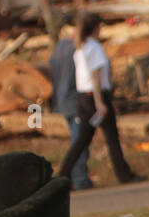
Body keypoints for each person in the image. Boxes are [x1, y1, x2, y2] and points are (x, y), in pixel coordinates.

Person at [57, 13, 143, 184]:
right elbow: (96, 76)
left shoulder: (81, 47)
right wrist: (99, 103)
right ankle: (124, 175)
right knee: (111, 137)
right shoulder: (94, 47)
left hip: (84, 96)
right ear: (96, 27)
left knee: (82, 140)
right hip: (95, 96)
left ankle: (62, 175)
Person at [49, 23, 92, 190]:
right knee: (79, 142)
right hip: (74, 100)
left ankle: (75, 177)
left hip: (61, 101)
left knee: (77, 140)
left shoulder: (59, 47)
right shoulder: (76, 49)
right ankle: (80, 179)